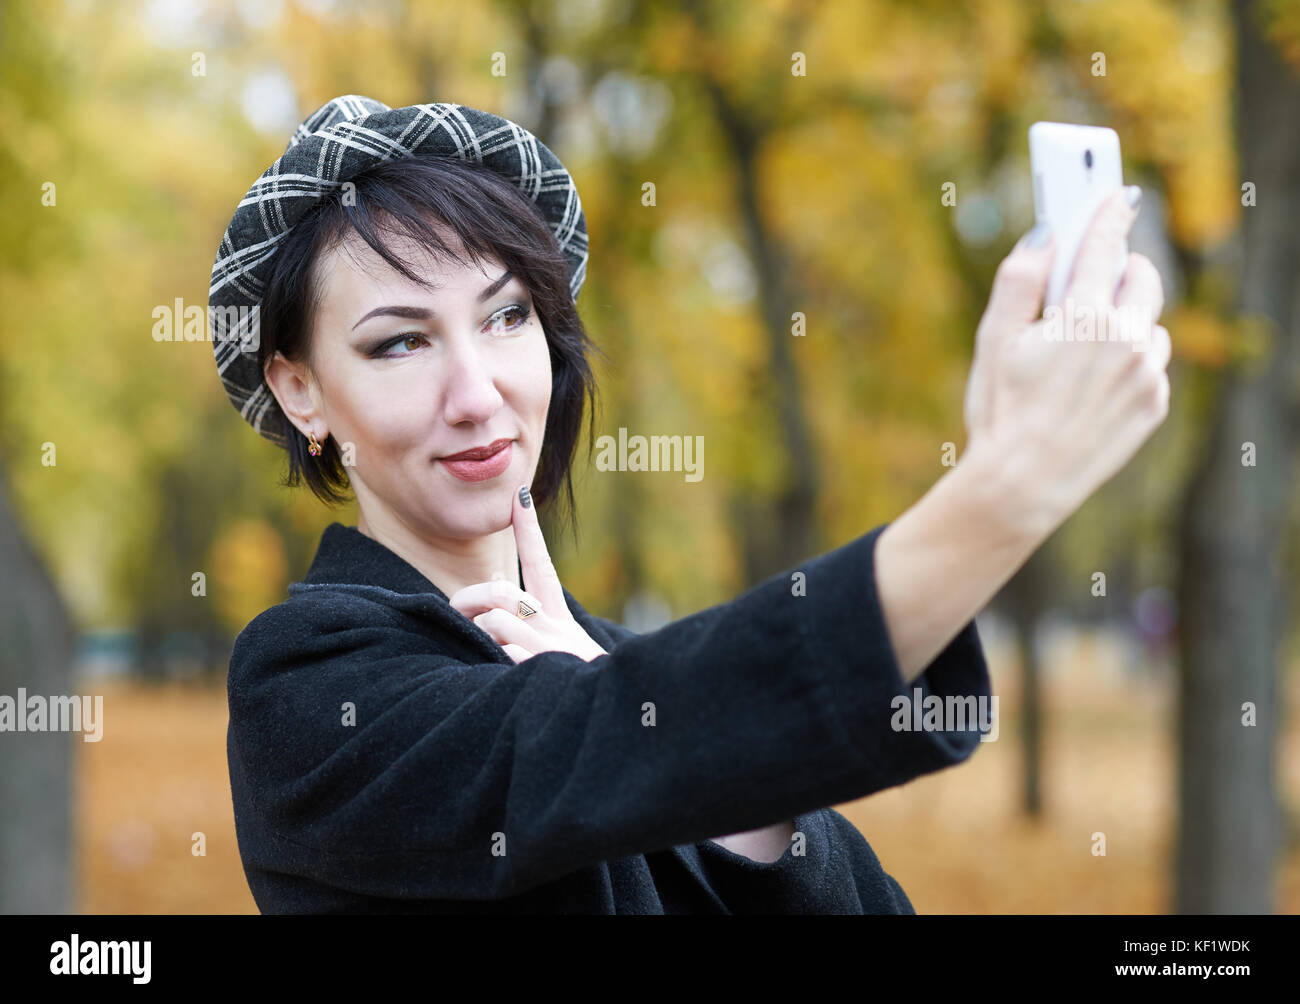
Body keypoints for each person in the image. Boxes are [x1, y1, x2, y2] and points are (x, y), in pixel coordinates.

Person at [209, 96, 1168, 914]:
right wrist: (1006, 490)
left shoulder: (609, 663)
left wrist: (714, 778)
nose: (476, 391)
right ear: (300, 391)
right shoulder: (304, 687)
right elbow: (569, 748)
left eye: (506, 317)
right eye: (400, 344)